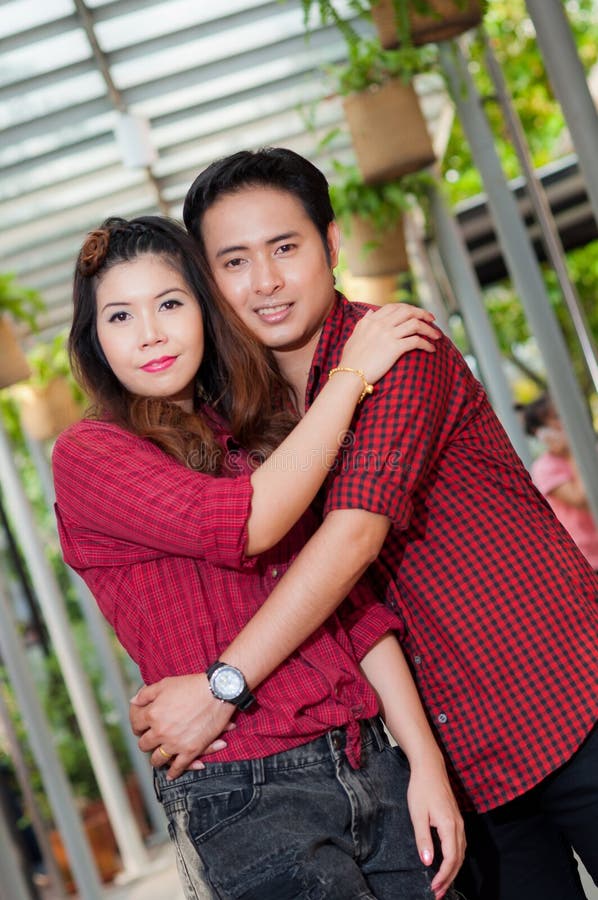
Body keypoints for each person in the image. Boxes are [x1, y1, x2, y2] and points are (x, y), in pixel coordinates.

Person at [130, 148, 598, 900]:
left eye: (286, 248)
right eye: (236, 261)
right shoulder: (242, 423)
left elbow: (352, 536)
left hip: (565, 699)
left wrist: (218, 688)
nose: (267, 281)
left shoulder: (395, 346)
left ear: (332, 244)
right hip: (450, 764)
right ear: (210, 282)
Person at [52, 215, 464, 900]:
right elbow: (247, 522)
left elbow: (351, 609)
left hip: (371, 765)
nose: (150, 333)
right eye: (119, 315)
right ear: (94, 340)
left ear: (206, 314)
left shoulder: (250, 437)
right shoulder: (91, 454)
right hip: (247, 790)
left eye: (171, 304)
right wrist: (353, 374)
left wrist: (425, 763)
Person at [523, 393, 598, 571]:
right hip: (589, 560)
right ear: (541, 432)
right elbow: (584, 499)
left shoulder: (591, 450)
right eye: (557, 417)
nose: (566, 420)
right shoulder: (544, 468)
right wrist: (572, 452)